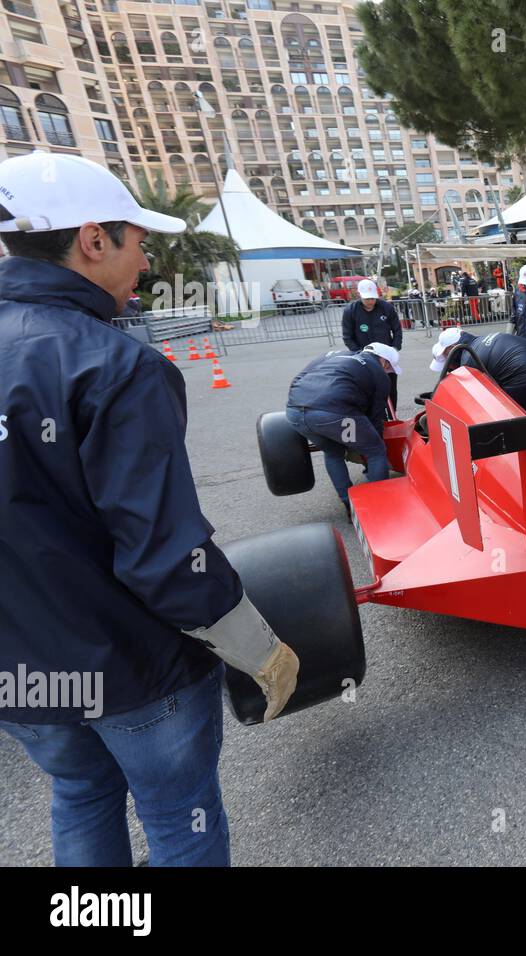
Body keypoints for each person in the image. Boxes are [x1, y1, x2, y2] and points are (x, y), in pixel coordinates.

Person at [0, 152, 299, 867]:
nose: (147, 259)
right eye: (138, 240)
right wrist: (260, 650)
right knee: (176, 819)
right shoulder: (113, 366)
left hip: (21, 675)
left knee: (80, 799)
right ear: (92, 240)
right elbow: (167, 557)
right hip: (133, 669)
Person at [285, 342, 399, 517]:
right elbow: (375, 417)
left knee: (332, 451)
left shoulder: (332, 355)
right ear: (384, 361)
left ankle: (348, 502)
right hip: (333, 414)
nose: (388, 373)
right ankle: (379, 501)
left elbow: (300, 377)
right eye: (389, 368)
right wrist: (369, 441)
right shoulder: (379, 374)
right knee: (375, 450)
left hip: (294, 412)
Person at [430, 326, 526, 414]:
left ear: (452, 348)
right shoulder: (480, 342)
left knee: (502, 415)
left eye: (446, 356)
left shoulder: (468, 361)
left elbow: (477, 402)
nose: (449, 367)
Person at [341, 277, 403, 410]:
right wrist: (359, 354)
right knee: (368, 389)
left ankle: (392, 416)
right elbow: (347, 337)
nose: (370, 302)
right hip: (364, 357)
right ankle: (375, 417)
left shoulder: (387, 308)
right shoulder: (350, 311)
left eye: (372, 298)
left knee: (390, 388)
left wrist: (394, 348)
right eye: (367, 299)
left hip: (386, 357)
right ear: (359, 295)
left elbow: (397, 329)